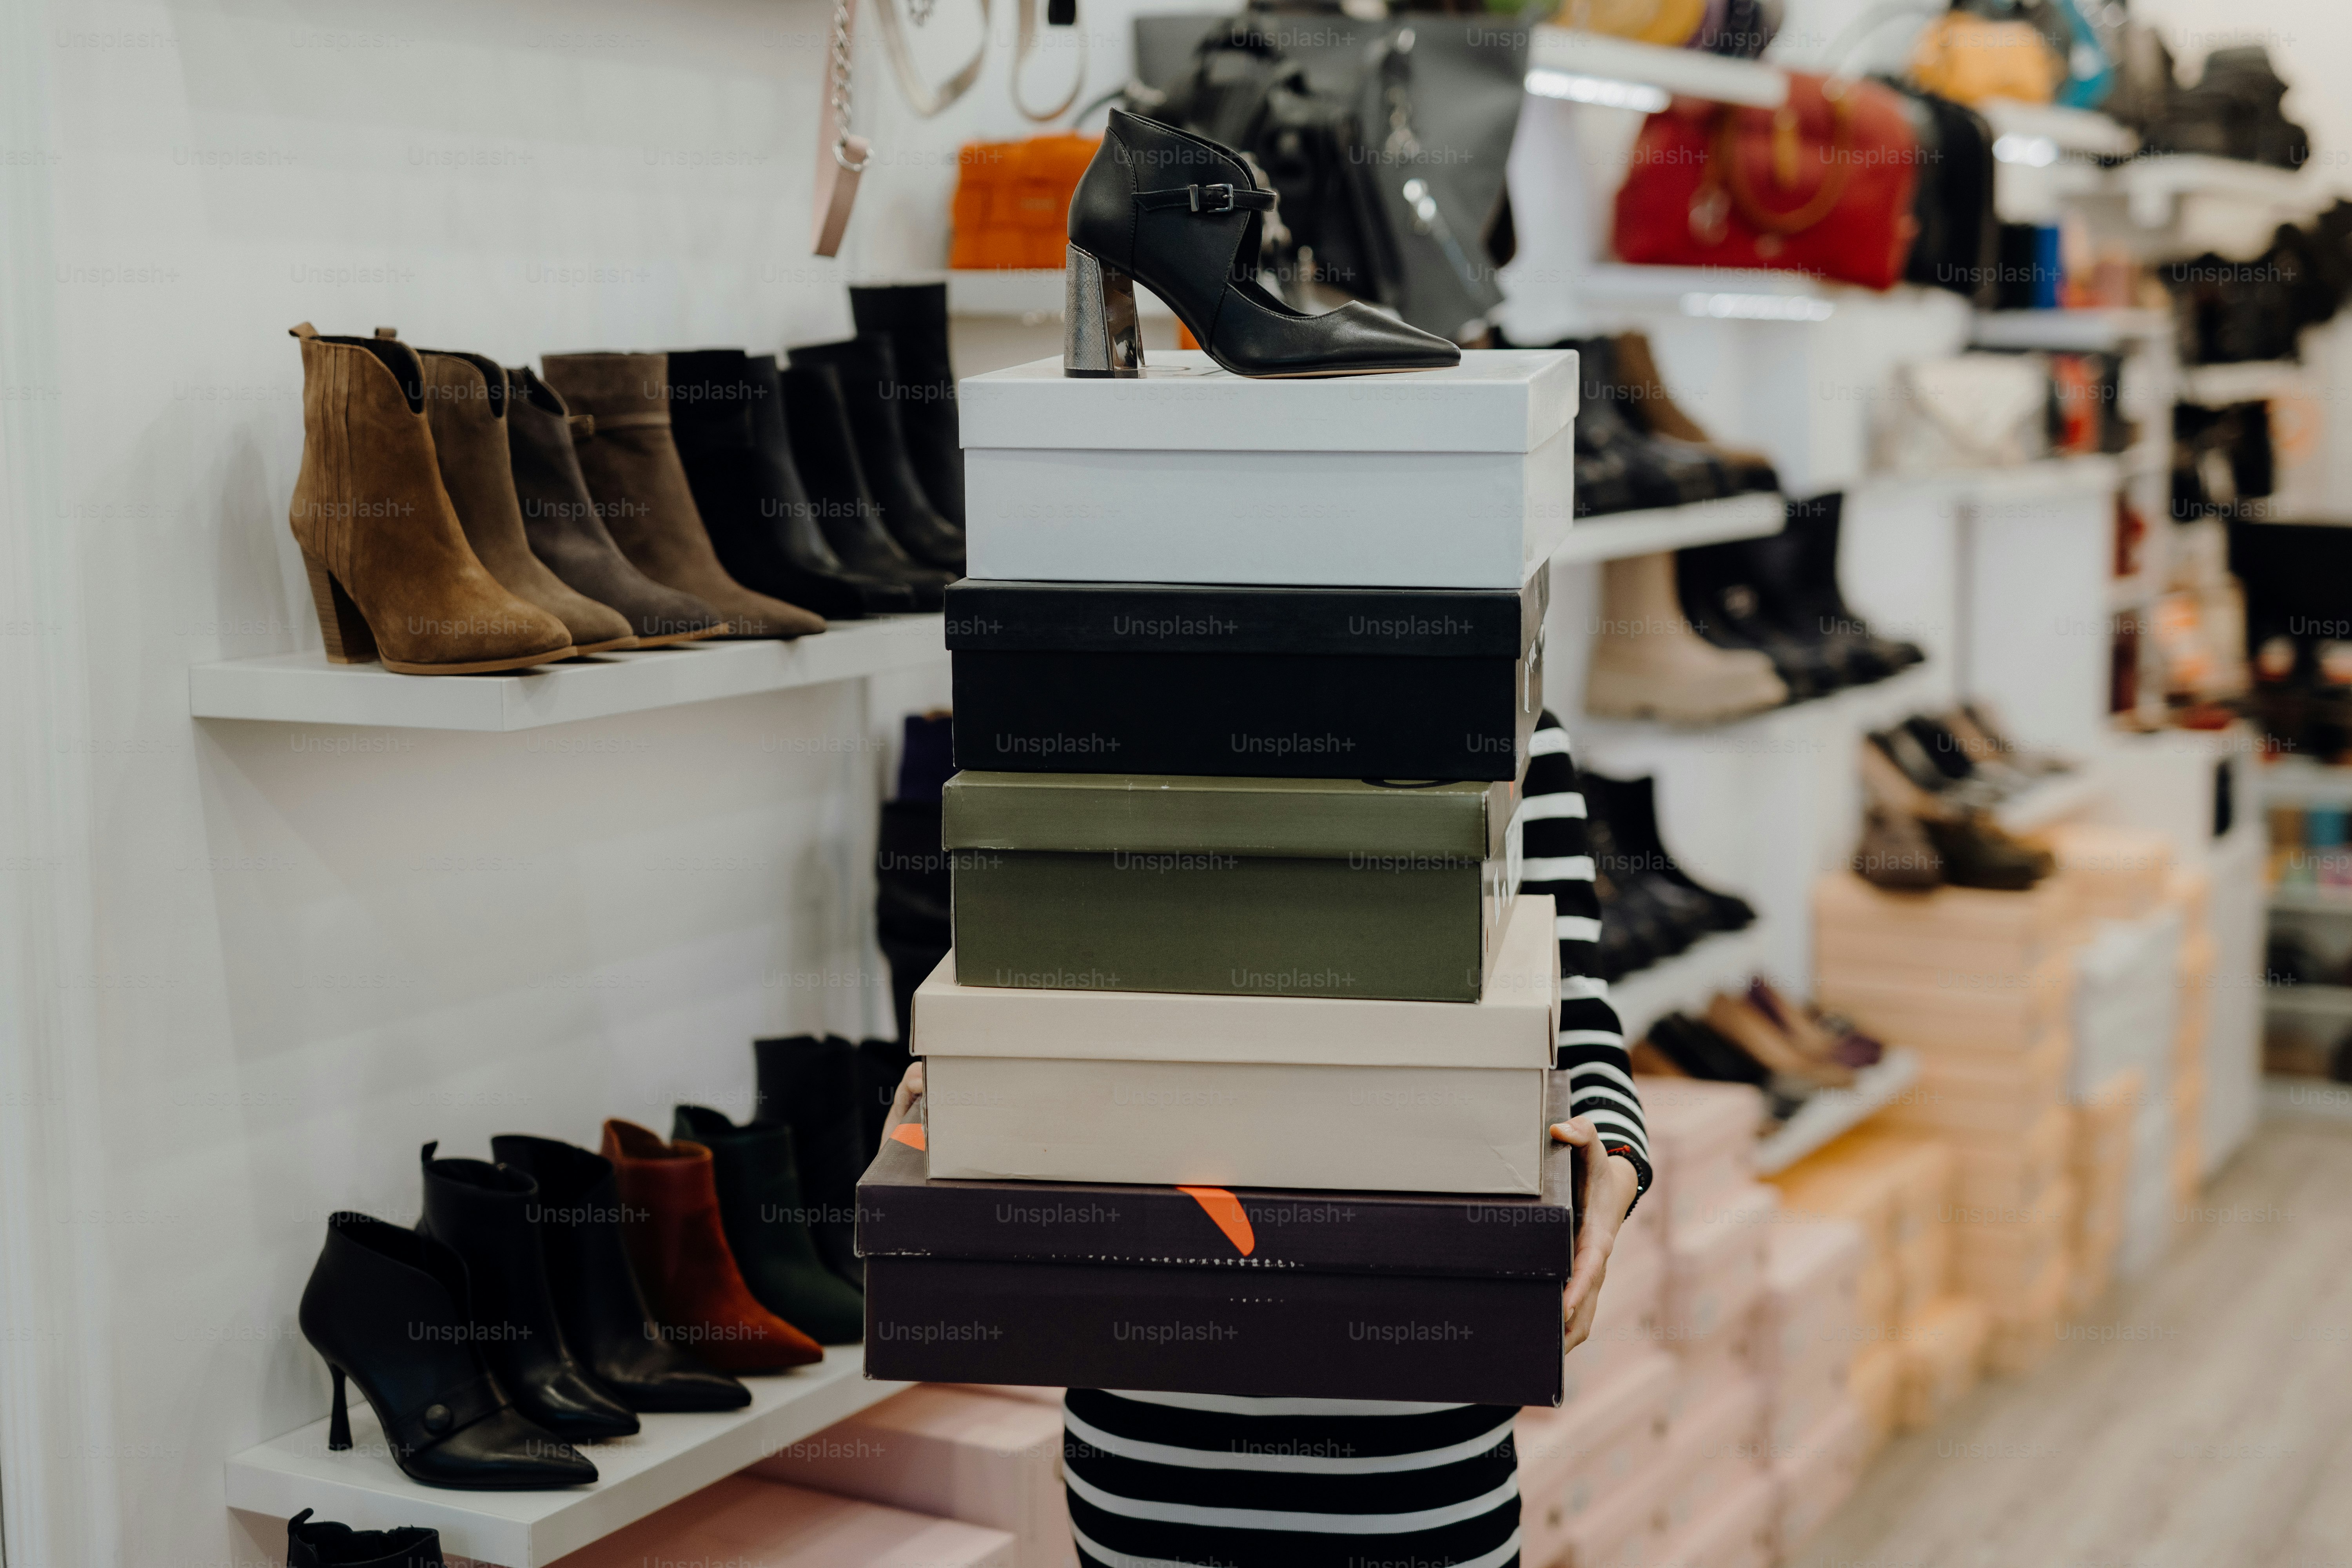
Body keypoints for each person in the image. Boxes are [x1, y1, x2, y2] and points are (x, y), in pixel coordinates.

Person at [879, 715, 1648, 1568]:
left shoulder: (1500, 718)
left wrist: (1614, 1158)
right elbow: (1021, 990)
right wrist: (954, 1095)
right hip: (1146, 1439)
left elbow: (1575, 1011)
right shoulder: (1112, 711)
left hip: (1423, 1455)